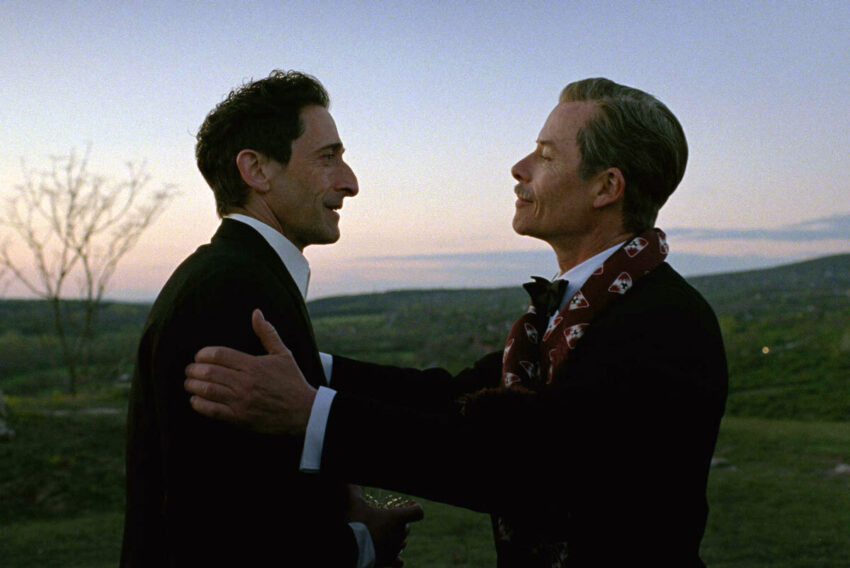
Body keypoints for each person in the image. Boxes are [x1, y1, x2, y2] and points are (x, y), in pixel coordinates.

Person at [184, 78, 729, 567]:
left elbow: (527, 469)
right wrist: (312, 366)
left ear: (606, 188)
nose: (519, 168)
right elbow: (454, 397)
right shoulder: (580, 312)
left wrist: (311, 415)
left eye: (545, 155)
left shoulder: (664, 323)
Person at [122, 70, 422, 568]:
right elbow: (228, 526)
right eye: (327, 157)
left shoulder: (235, 275)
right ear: (257, 170)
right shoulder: (232, 292)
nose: (349, 182)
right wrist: (365, 544)